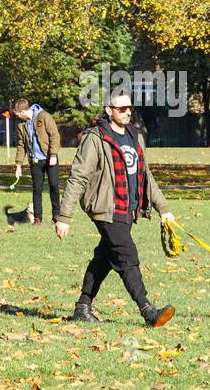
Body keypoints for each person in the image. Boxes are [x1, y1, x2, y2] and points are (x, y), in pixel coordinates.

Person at [55, 90, 176, 327]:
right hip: (106, 209)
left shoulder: (134, 135)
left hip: (128, 209)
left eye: (130, 108)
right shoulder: (95, 137)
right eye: (121, 108)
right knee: (127, 255)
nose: (127, 112)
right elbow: (78, 177)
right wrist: (64, 216)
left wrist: (163, 208)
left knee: (104, 258)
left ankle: (82, 306)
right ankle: (148, 310)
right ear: (109, 110)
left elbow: (145, 175)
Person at [11, 98, 62, 225]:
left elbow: (55, 135)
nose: (17, 117)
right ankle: (37, 218)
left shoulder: (44, 116)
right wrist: (18, 165)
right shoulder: (21, 126)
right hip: (35, 161)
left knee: (54, 186)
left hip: (50, 158)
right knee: (37, 189)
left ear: (22, 111)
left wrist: (53, 154)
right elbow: (21, 145)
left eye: (17, 114)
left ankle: (56, 215)